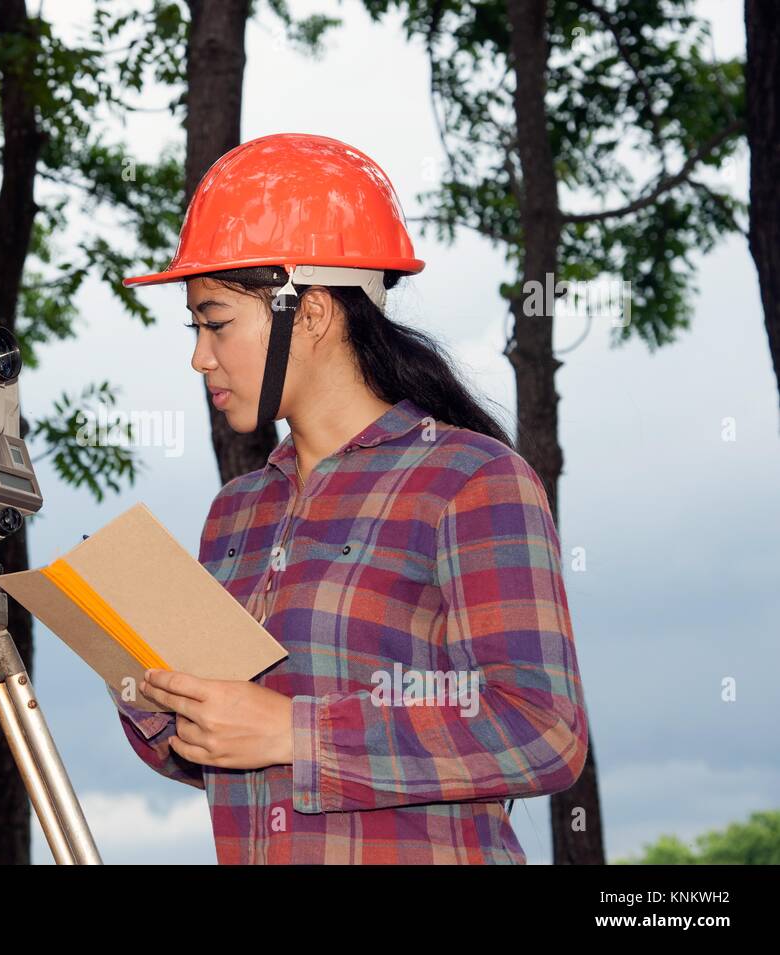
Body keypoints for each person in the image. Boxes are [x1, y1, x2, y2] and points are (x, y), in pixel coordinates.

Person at [107, 132, 589, 864]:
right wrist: (152, 692)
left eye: (214, 323)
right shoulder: (236, 512)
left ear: (311, 313)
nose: (199, 356)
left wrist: (294, 732)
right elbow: (220, 761)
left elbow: (541, 729)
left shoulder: (469, 479)